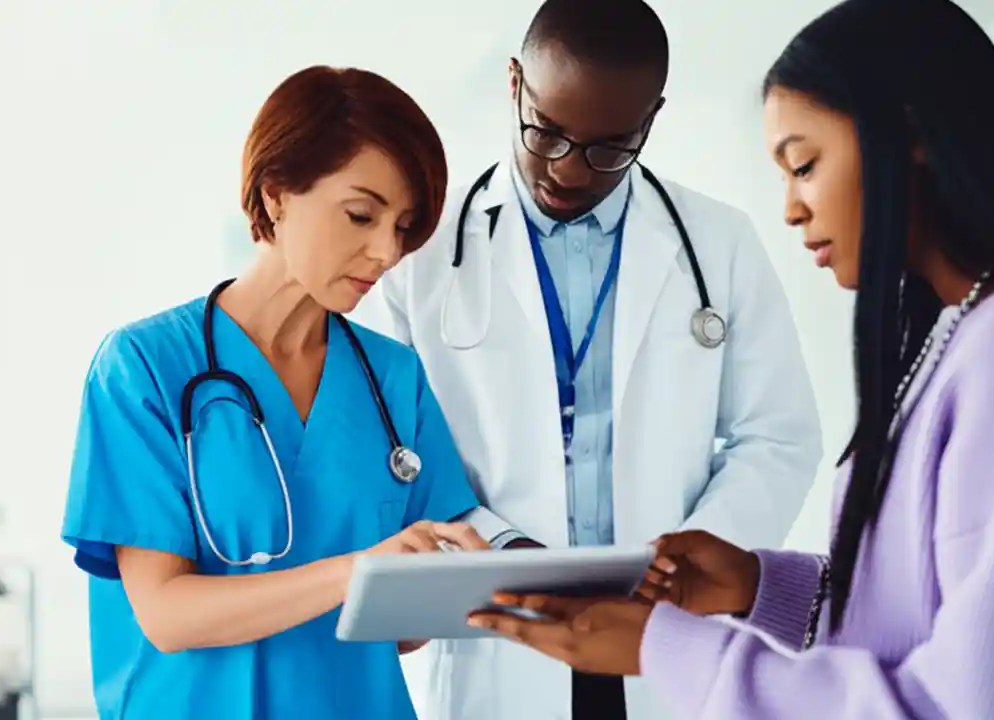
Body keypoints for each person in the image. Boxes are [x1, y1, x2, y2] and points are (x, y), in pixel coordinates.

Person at [465, 0, 994, 717]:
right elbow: (926, 622)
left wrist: (670, 650)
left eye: (804, 164)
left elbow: (960, 703)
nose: (790, 207)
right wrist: (761, 587)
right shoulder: (963, 338)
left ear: (907, 134)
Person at [351, 0, 823, 717]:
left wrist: (697, 555)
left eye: (608, 148)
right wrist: (499, 548)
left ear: (650, 120)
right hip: (500, 635)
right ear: (514, 85)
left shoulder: (718, 243)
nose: (568, 171)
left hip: (666, 630)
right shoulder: (419, 255)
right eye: (546, 132)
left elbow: (778, 435)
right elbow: (394, 453)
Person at [60, 65, 489, 719]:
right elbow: (167, 614)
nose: (386, 252)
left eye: (403, 227)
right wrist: (357, 572)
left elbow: (404, 633)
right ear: (277, 192)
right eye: (361, 215)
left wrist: (447, 581)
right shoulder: (145, 367)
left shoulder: (394, 378)